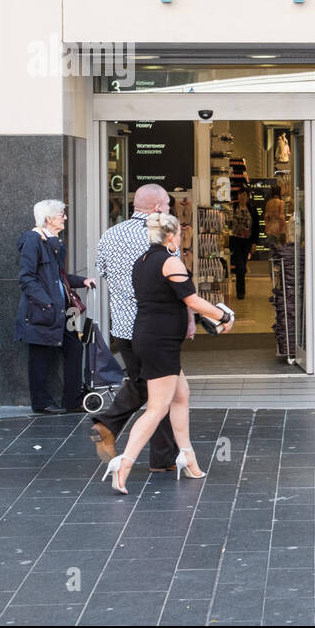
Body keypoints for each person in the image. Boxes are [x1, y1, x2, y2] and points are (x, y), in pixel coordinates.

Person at [102, 213, 234, 494]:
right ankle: (123, 464)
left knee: (180, 396)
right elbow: (191, 299)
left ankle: (187, 456)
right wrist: (222, 316)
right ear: (172, 236)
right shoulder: (170, 261)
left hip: (151, 337)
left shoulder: (142, 262)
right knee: (157, 407)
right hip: (160, 341)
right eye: (180, 235)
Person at [88, 183, 179, 473]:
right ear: (155, 207)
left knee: (153, 386)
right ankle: (109, 424)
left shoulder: (110, 234)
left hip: (123, 326)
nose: (168, 209)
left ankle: (162, 458)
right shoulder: (160, 236)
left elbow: (101, 271)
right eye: (166, 204)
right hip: (155, 324)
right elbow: (175, 280)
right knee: (158, 387)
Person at [16, 199, 94, 415]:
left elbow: (59, 277)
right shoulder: (33, 241)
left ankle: (72, 400)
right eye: (61, 215)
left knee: (75, 348)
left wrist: (82, 281)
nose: (65, 218)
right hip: (42, 309)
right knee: (40, 355)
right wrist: (47, 302)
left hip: (60, 309)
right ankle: (41, 403)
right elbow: (26, 278)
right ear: (49, 219)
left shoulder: (54, 243)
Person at [227, 187, 260, 301]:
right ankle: (240, 292)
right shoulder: (233, 208)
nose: (242, 196)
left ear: (247, 196)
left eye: (244, 194)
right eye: (240, 194)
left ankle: (241, 290)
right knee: (240, 265)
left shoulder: (252, 209)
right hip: (235, 240)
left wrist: (255, 243)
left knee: (243, 264)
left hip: (247, 241)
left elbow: (256, 227)